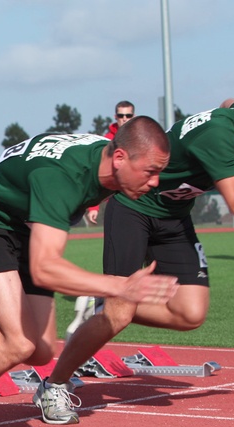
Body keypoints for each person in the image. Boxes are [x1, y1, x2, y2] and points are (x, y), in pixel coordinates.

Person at [36, 74, 234, 426]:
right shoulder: (219, 137)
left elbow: (229, 102)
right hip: (134, 208)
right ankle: (54, 384)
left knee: (190, 313)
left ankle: (106, 302)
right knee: (118, 315)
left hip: (173, 219)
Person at [0, 118, 178, 427]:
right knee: (17, 345)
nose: (154, 183)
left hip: (23, 226)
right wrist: (117, 286)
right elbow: (45, 269)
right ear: (120, 158)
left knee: (40, 350)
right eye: (150, 172)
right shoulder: (62, 178)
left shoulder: (106, 161)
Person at [69, 100, 139, 338]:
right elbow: (96, 176)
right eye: (121, 115)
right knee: (119, 271)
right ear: (115, 116)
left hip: (142, 206)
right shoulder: (108, 142)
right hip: (119, 205)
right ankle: (98, 298)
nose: (124, 119)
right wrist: (93, 206)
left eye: (128, 115)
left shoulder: (141, 138)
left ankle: (99, 298)